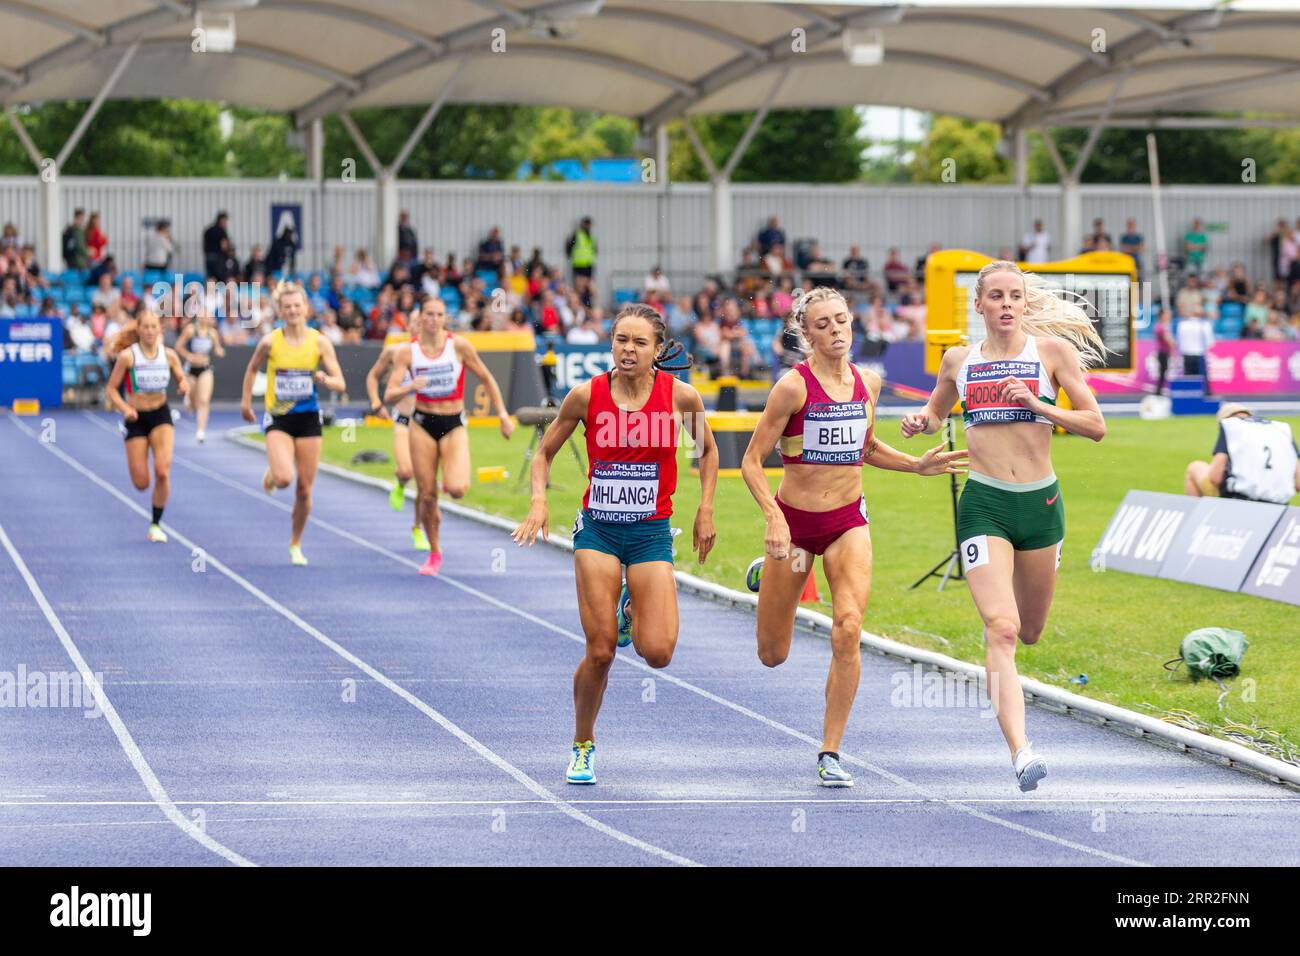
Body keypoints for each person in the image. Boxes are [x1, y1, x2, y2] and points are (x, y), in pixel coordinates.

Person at [740, 287, 967, 787]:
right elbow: (752, 460)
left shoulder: (869, 382)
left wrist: (915, 465)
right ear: (807, 335)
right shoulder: (792, 388)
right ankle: (768, 573)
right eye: (823, 325)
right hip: (795, 528)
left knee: (848, 626)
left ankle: (830, 751)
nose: (836, 330)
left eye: (842, 320)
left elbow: (863, 448)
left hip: (847, 523)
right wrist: (774, 519)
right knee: (772, 654)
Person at [901, 260, 1107, 792]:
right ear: (980, 305)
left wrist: (1038, 404)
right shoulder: (958, 360)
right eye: (996, 296)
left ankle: (1019, 734)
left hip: (1040, 506)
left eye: (1015, 295)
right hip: (984, 504)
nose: (1007, 304)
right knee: (1003, 628)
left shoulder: (1051, 355)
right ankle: (1021, 753)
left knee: (1031, 630)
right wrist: (918, 422)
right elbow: (934, 412)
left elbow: (1096, 426)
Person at [511, 304, 718, 785]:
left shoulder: (679, 398)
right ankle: (583, 743)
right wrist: (539, 502)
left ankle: (631, 610)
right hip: (599, 532)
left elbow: (706, 453)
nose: (628, 349)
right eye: (621, 340)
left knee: (659, 652)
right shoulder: (587, 396)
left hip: (650, 534)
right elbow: (543, 455)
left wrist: (704, 508)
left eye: (639, 342)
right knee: (601, 650)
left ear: (658, 350)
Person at [384, 295, 515, 576]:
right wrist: (410, 387)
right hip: (421, 423)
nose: (433, 320)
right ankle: (434, 552)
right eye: (428, 314)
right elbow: (389, 393)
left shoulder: (459, 346)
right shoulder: (408, 352)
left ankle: (447, 475)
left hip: (453, 423)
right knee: (428, 496)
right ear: (419, 319)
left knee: (457, 489)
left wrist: (502, 414)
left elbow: (486, 377)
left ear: (445, 318)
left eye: (439, 314)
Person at [239, 282, 347, 566]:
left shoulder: (319, 342)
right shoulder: (270, 342)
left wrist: (325, 379)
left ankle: (296, 542)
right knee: (285, 479)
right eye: (287, 307)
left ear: (306, 309)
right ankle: (275, 472)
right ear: (280, 311)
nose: (293, 310)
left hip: (309, 418)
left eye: (297, 306)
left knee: (304, 490)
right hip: (279, 418)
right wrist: (246, 403)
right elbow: (252, 370)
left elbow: (340, 381)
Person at [104, 312, 190, 542]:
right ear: (139, 330)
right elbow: (111, 389)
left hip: (161, 414)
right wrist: (125, 409)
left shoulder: (169, 355)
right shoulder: (128, 357)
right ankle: (148, 493)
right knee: (142, 483)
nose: (150, 331)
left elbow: (181, 378)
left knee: (162, 471)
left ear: (159, 330)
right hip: (136, 419)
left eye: (154, 327)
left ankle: (155, 524)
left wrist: (183, 384)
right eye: (146, 327)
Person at [365, 307, 431, 551]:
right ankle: (401, 484)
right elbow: (373, 377)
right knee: (405, 471)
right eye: (414, 322)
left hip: (427, 424)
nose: (418, 326)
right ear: (409, 326)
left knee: (425, 485)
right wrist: (375, 403)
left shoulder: (437, 354)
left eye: (421, 322)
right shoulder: (396, 352)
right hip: (404, 421)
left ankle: (417, 528)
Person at [1185, 403, 1299, 504]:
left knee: (1194, 467)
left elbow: (1215, 477)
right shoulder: (1281, 429)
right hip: (1281, 505)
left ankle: (1196, 521)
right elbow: (1298, 482)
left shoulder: (1230, 426)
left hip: (1240, 501)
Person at [175, 308, 226, 442]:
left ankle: (201, 431)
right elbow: (179, 346)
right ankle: (188, 399)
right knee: (192, 402)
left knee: (204, 400)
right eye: (202, 314)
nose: (204, 317)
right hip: (191, 369)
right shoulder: (191, 330)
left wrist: (220, 351)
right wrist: (189, 355)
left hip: (205, 368)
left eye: (207, 315)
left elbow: (217, 348)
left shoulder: (212, 333)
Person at [1175, 309, 1215, 395]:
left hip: (1187, 353)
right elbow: (1210, 341)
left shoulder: (1182, 325)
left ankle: (1189, 392)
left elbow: (1179, 340)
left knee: (1189, 376)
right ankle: (1205, 392)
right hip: (1199, 353)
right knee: (1201, 375)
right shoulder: (1204, 325)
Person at [566, 216, 597, 301]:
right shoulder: (577, 235)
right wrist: (571, 257)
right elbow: (569, 247)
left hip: (588, 264)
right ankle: (578, 303)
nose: (589, 227)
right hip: (578, 265)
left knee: (588, 287)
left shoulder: (590, 236)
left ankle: (587, 303)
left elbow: (593, 249)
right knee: (579, 287)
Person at [1153, 309, 1175, 397]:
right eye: (1166, 315)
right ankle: (1158, 390)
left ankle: (1159, 390)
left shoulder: (1163, 326)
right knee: (1162, 371)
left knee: (1163, 371)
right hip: (1163, 352)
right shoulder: (1161, 327)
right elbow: (1167, 339)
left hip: (1164, 352)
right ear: (1162, 316)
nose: (1168, 317)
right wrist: (1173, 344)